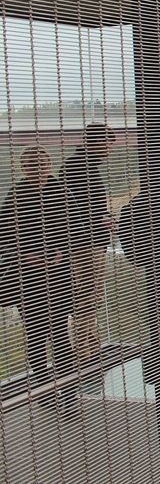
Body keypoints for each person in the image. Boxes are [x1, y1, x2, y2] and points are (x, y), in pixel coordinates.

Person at [0, 146, 73, 385]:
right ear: (23, 168)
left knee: (60, 332)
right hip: (28, 275)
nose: (38, 169)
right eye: (32, 165)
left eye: (42, 164)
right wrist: (27, 255)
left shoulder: (62, 192)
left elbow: (76, 228)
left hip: (57, 271)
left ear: (50, 165)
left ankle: (68, 390)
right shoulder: (16, 195)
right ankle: (43, 386)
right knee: (35, 332)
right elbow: (7, 234)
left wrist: (61, 253)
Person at [61, 122, 116, 364]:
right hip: (85, 245)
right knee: (87, 296)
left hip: (87, 242)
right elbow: (73, 210)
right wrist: (102, 219)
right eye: (107, 145)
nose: (109, 151)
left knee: (88, 296)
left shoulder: (79, 167)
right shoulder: (79, 168)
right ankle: (82, 351)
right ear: (96, 143)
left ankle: (90, 347)